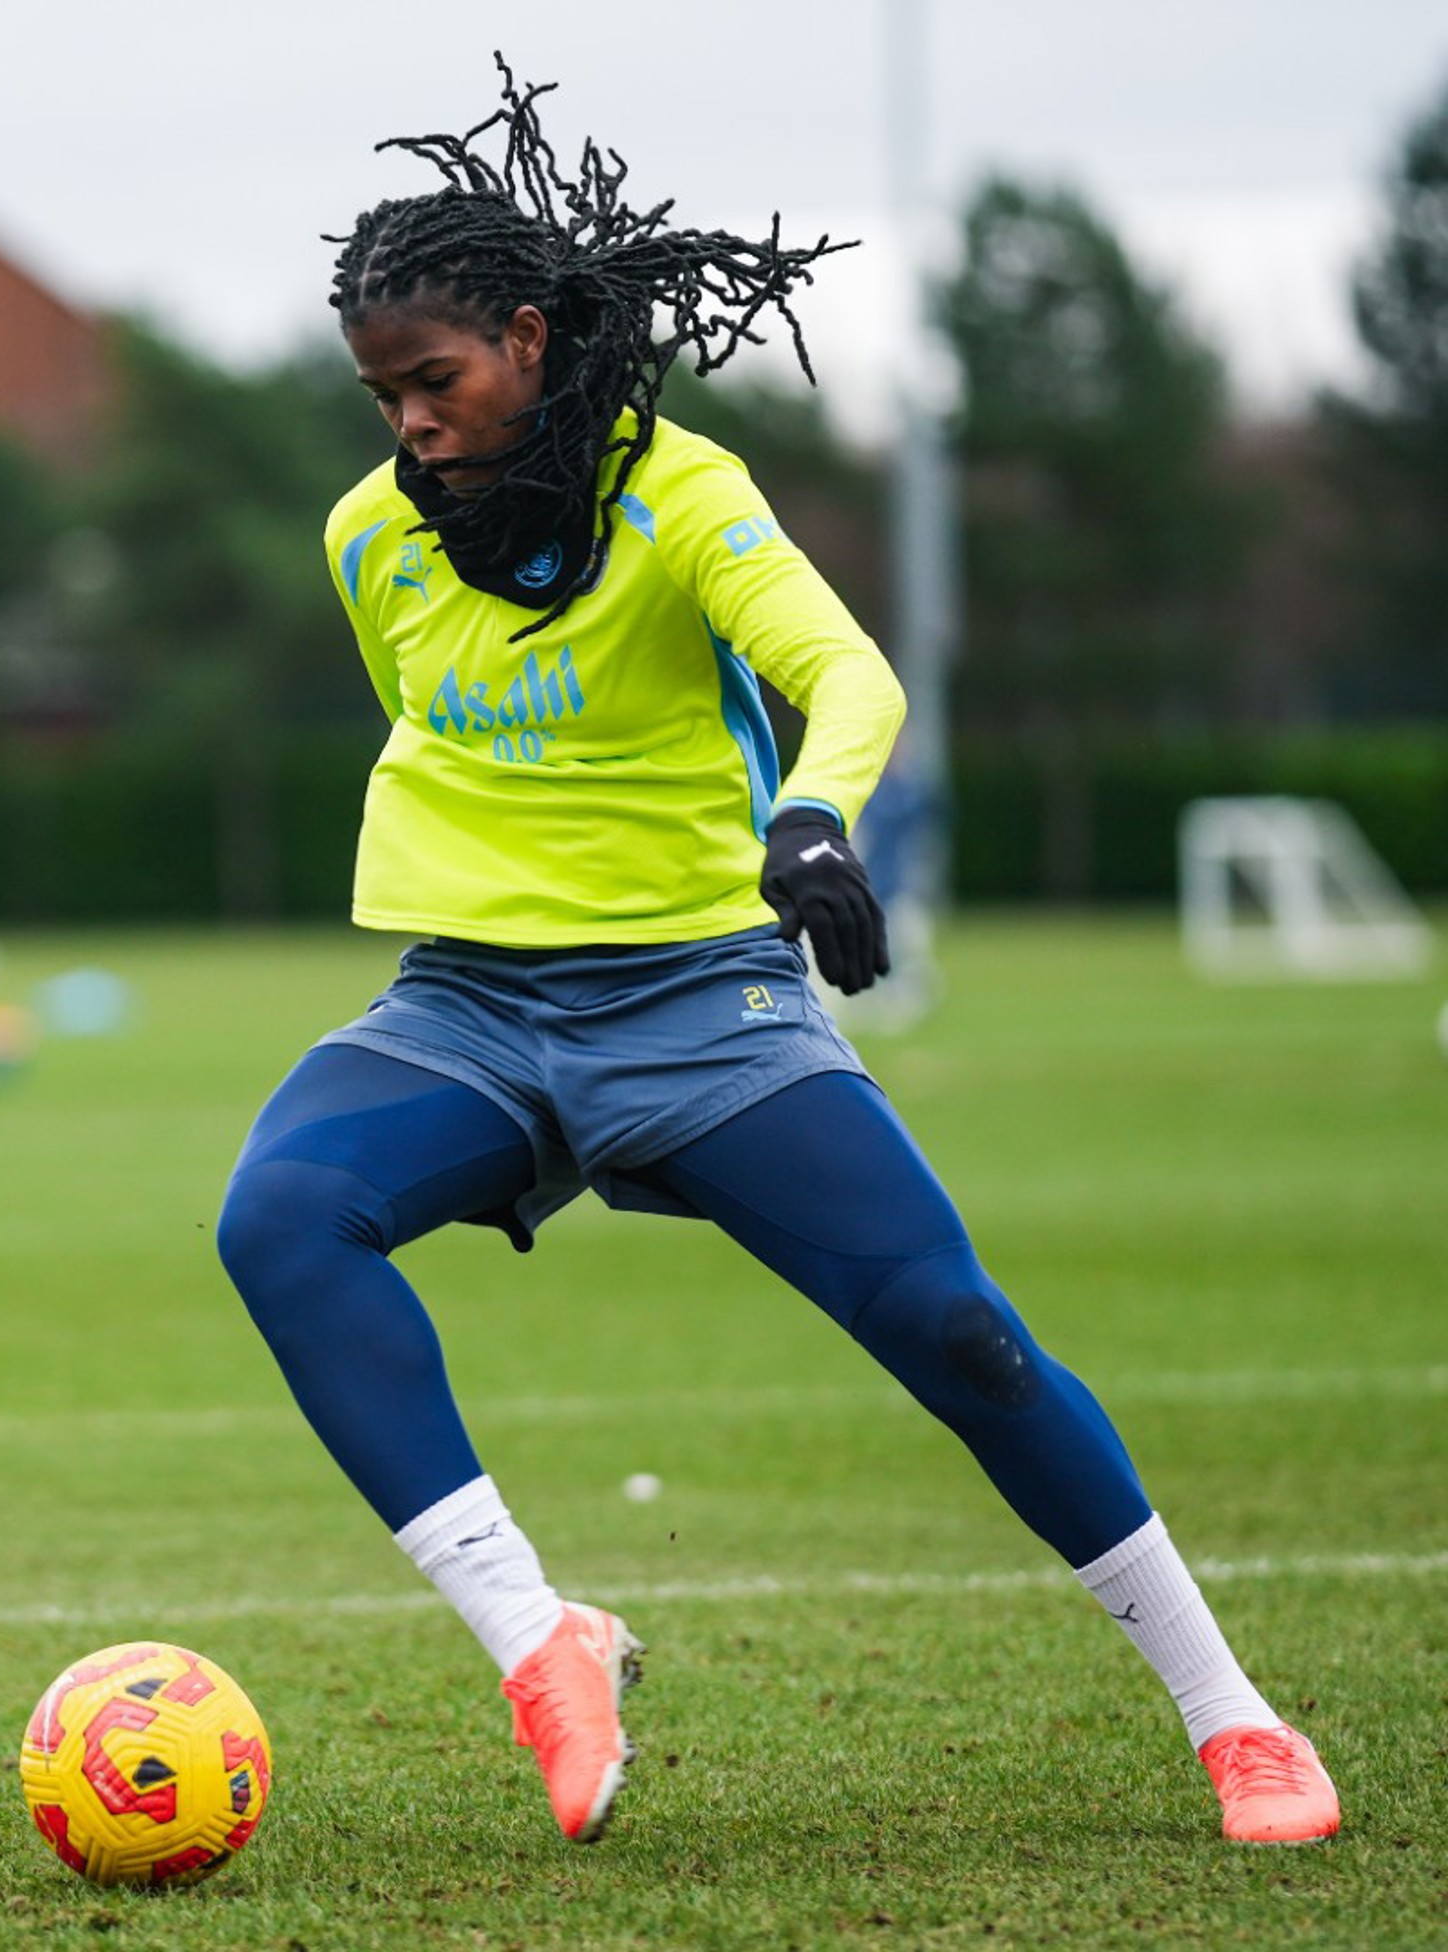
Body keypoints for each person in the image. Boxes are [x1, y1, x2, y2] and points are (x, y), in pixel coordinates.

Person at [216, 60, 1339, 1850]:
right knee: (276, 1218)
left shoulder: (685, 495)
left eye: (433, 385)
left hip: (701, 1004)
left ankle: (1235, 1719)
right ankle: (538, 1639)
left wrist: (811, 822)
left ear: (525, 335)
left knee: (957, 1331)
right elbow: (450, 746)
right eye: (381, 399)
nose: (407, 427)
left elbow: (847, 676)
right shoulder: (370, 538)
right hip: (467, 1007)